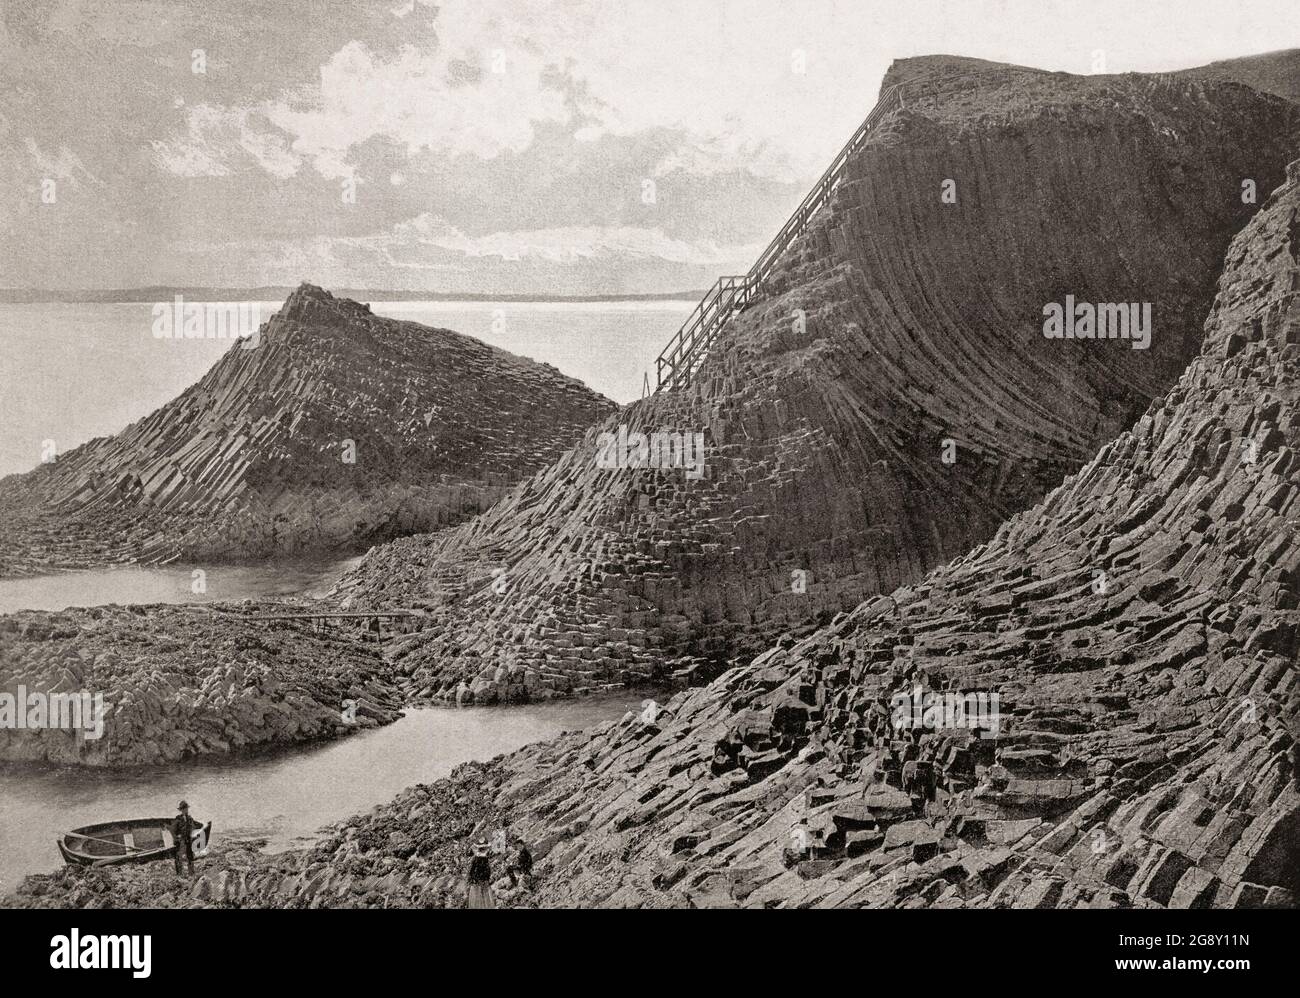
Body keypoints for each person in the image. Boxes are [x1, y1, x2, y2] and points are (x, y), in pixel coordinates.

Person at [466, 840, 495, 909]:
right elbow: (486, 871)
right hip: (481, 881)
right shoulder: (483, 859)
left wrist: (472, 879)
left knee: (478, 899)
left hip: (478, 881)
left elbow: (472, 871)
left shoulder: (477, 858)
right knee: (484, 899)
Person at [172, 800, 197, 877]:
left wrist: (193, 835)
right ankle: (179, 874)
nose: (185, 810)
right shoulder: (178, 819)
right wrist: (177, 837)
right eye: (183, 809)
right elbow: (173, 830)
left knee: (190, 856)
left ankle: (191, 874)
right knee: (178, 857)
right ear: (181, 810)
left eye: (186, 808)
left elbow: (193, 827)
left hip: (188, 840)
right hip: (181, 841)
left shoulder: (190, 819)